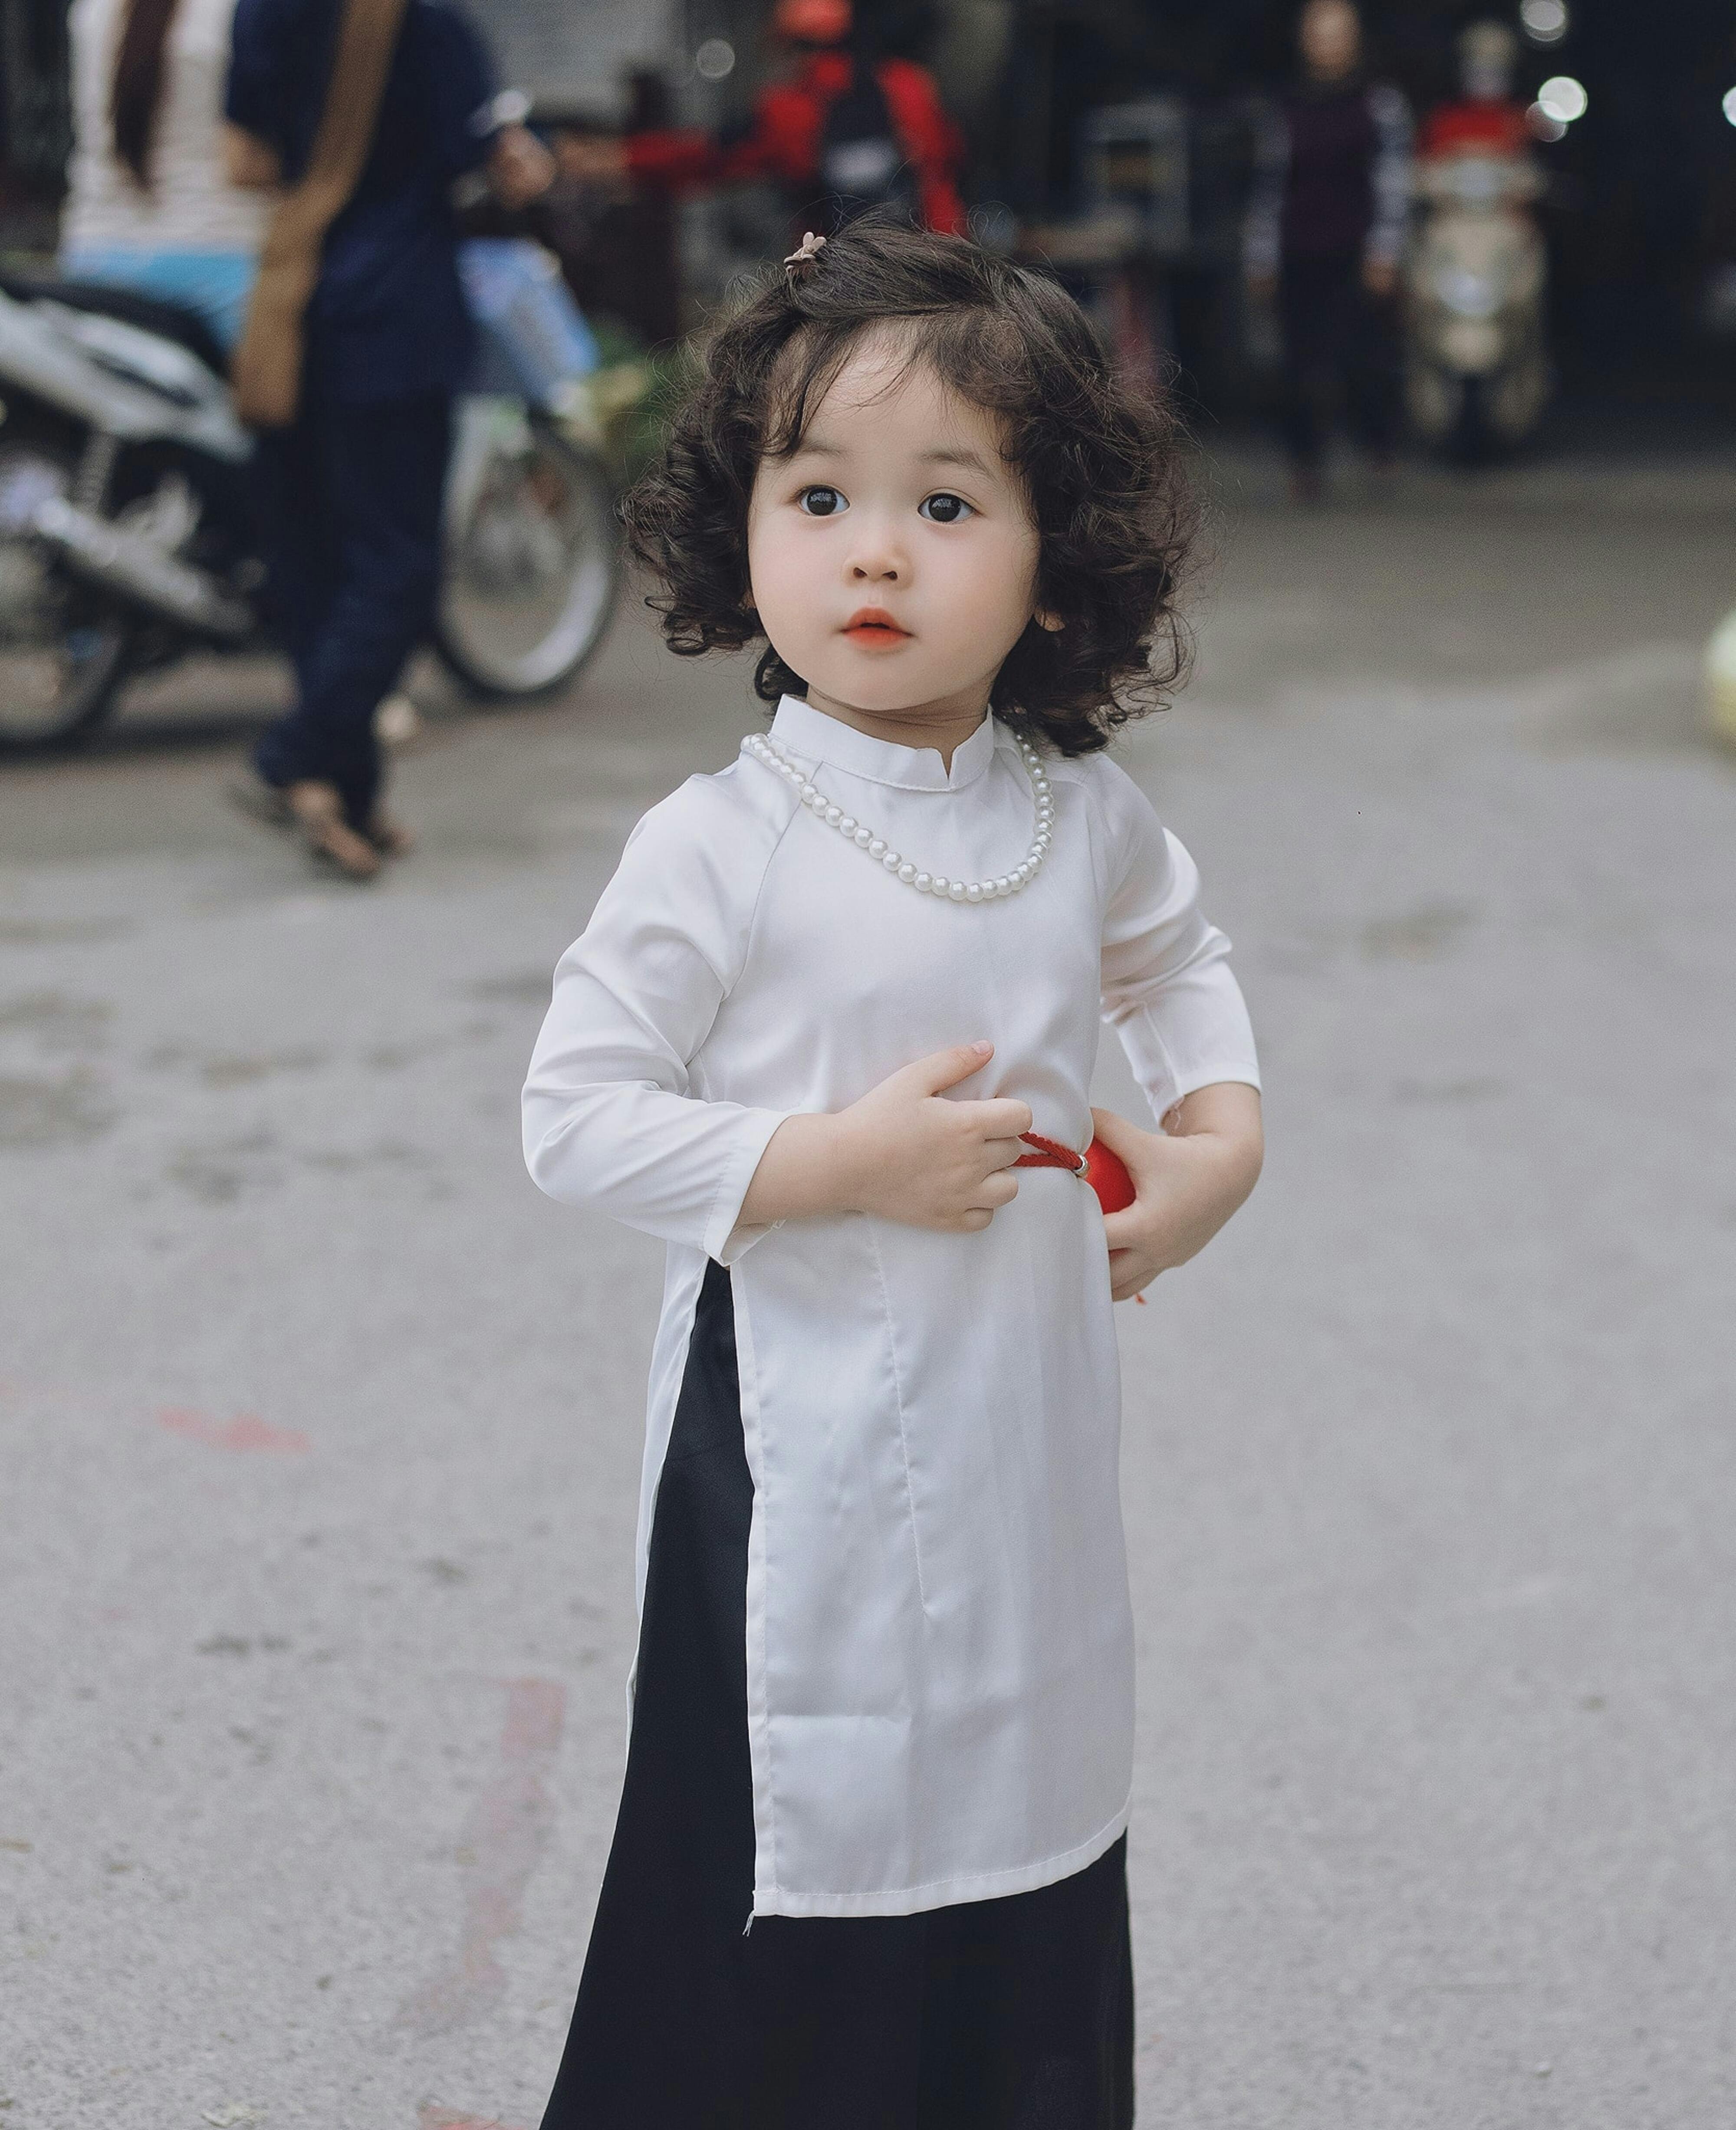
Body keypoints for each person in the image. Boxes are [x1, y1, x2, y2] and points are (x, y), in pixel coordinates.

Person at [522, 216, 1264, 2127]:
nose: (871, 549)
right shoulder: (720, 845)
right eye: (819, 492)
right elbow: (575, 1109)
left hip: (1020, 1436)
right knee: (794, 1817)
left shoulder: (1071, 812)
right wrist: (830, 1158)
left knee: (1020, 1788)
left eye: (945, 502)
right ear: (739, 525)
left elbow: (1177, 969)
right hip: (787, 1451)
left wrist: (1213, 1148)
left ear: (1049, 567)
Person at [223, 0, 552, 878]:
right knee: (398, 570)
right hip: (395, 312)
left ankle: (347, 800)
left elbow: (245, 161)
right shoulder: (429, 23)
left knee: (319, 569)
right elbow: (497, 162)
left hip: (293, 308)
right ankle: (293, 754)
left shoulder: (261, 13)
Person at [568, 0, 967, 240]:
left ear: (792, 47)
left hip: (851, 278)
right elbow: (952, 155)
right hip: (937, 257)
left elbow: (707, 157)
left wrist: (622, 159)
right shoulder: (910, 86)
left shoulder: (787, 110)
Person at [1246, 0, 1412, 503]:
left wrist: (1386, 250)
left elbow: (1392, 181)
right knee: (1298, 365)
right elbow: (1269, 186)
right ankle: (1305, 464)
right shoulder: (1286, 106)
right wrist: (1260, 257)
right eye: (1320, 32)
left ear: (1355, 39)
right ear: (1305, 39)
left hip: (1356, 251)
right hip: (1299, 249)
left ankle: (1379, 449)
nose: (1328, 42)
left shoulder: (1379, 104)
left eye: (1338, 32)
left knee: (1365, 359)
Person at [60, 0, 269, 352]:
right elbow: (253, 162)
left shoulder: (92, 10)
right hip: (229, 268)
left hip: (94, 262)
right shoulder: (247, 12)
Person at [1419, 20, 1533, 162]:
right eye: (1477, 63)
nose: (1486, 72)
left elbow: (1532, 172)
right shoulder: (1442, 120)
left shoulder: (1521, 122)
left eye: (1496, 64)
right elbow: (1424, 168)